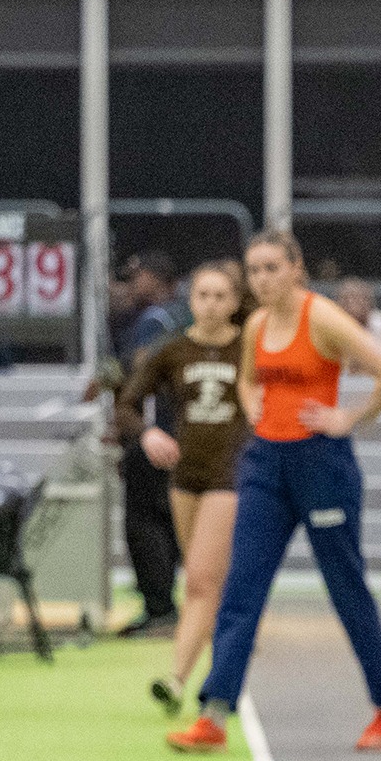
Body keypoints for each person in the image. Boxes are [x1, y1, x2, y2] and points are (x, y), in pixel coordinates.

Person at [166, 231, 381, 754]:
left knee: (346, 588)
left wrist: (348, 417)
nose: (261, 280)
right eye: (253, 271)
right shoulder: (255, 323)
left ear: (296, 269)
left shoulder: (321, 317)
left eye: (272, 268)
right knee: (241, 589)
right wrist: (256, 408)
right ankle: (213, 714)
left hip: (320, 464)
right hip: (264, 465)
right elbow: (248, 380)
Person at [116, 260, 252, 713]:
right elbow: (128, 403)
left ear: (235, 303)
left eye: (220, 296)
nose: (210, 305)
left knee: (199, 580)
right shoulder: (172, 351)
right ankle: (224, 673)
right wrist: (148, 433)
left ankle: (177, 680)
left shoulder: (248, 349)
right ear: (189, 300)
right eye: (202, 295)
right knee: (207, 581)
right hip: (185, 477)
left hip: (229, 476)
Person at [115, 250, 187, 636]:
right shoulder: (184, 318)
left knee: (146, 522)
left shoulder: (155, 321)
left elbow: (141, 371)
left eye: (138, 275)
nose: (132, 282)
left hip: (160, 434)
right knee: (172, 522)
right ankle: (171, 604)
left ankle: (159, 607)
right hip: (186, 436)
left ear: (157, 279)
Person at [337, 277, 381, 366]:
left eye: (359, 298)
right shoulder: (332, 322)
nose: (353, 304)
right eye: (347, 299)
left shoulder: (380, 323)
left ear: (369, 301)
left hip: (377, 375)